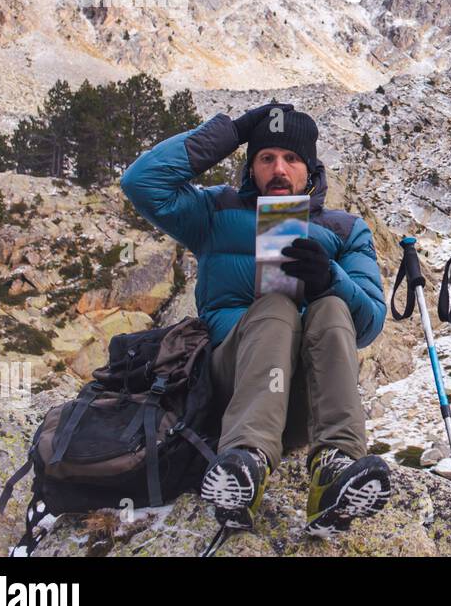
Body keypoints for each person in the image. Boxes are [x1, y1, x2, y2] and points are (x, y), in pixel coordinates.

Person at [121, 101, 391, 537]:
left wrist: (330, 279)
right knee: (276, 304)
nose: (279, 169)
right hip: (230, 386)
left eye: (291, 158)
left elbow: (370, 324)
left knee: (331, 306)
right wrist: (234, 131)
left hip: (306, 394)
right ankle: (244, 464)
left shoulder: (344, 231)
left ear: (311, 168)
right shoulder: (215, 211)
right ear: (251, 167)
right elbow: (141, 182)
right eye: (266, 157)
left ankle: (334, 468)